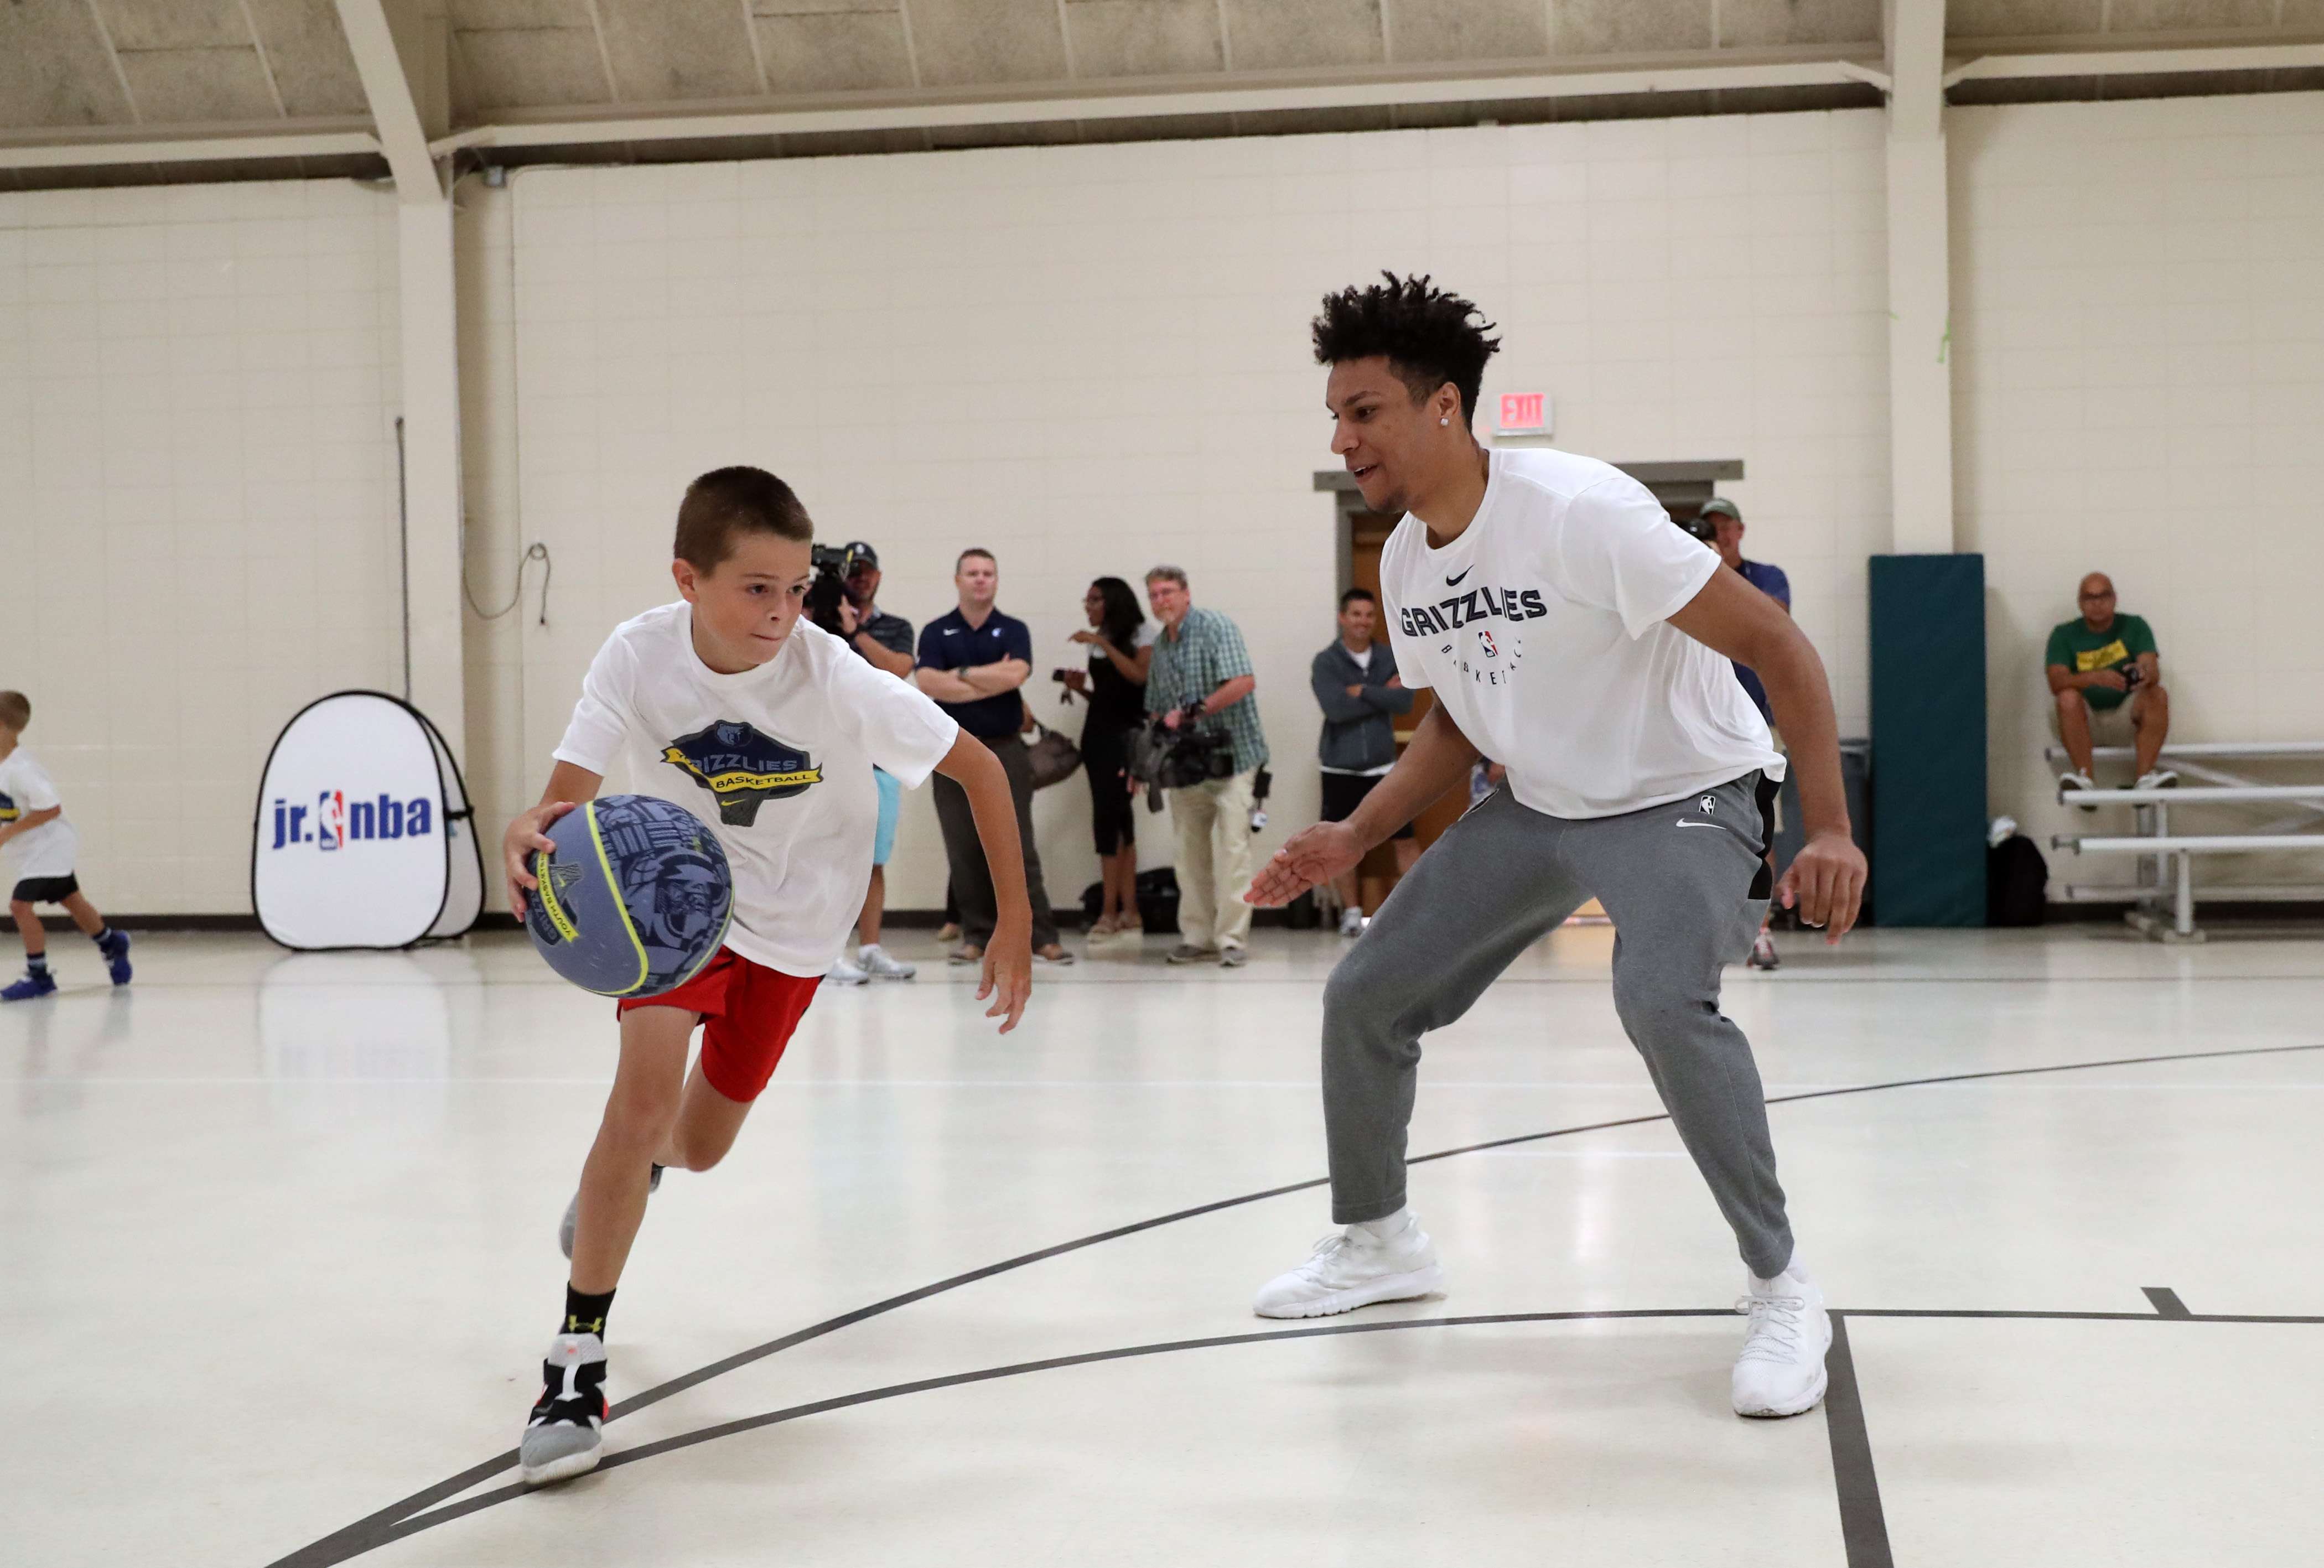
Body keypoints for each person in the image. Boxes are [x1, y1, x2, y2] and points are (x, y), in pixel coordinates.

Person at [1246, 274, 1868, 1422]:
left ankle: (1784, 1286)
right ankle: (1380, 1240)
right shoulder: (1407, 559)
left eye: (1365, 411)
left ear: (1444, 405)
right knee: (1367, 993)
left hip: (1686, 788)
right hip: (1543, 799)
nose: (1342, 439)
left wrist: (1828, 825)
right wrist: (1356, 831)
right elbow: (1459, 719)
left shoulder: (1584, 512)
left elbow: (1780, 647)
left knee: (1661, 998)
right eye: (1334, 414)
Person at [500, 468, 1033, 1486]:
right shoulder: (637, 653)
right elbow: (558, 807)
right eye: (756, 588)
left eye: (795, 589)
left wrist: (1012, 916)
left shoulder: (835, 675)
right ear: (687, 579)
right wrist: (524, 831)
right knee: (638, 1101)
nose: (782, 612)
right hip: (674, 908)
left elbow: (981, 767)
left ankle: (638, 1168)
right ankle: (574, 1363)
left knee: (697, 1143)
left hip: (795, 930)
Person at [915, 548, 1073, 967]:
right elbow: (928, 682)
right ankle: (978, 936)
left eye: (988, 573)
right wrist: (989, 679)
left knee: (1019, 845)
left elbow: (1016, 675)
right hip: (951, 752)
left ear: (997, 581)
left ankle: (1042, 936)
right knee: (963, 848)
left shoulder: (1014, 629)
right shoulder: (936, 631)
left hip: (1006, 750)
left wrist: (961, 675)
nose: (981, 579)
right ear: (958, 580)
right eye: (973, 573)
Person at [1143, 565, 1269, 969]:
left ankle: (1231, 939)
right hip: (1188, 764)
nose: (1161, 601)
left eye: (1167, 592)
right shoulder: (1161, 646)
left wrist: (1194, 712)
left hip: (1235, 758)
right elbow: (1156, 708)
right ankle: (1197, 936)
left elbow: (1243, 681)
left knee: (1233, 849)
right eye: (1154, 595)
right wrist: (1147, 755)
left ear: (1186, 594)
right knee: (1188, 852)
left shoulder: (1216, 627)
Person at [1702, 498, 1791, 972]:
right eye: (1711, 527)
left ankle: (1761, 930)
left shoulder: (1766, 577)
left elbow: (1773, 619)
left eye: (1725, 526)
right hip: (1702, 725)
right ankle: (1707, 929)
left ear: (1740, 530)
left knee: (1760, 830)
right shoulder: (1690, 575)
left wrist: (1719, 575)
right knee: (1699, 828)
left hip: (1757, 728)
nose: (1720, 533)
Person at [827, 542, 919, 985]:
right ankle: (826, 953)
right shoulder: (815, 624)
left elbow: (897, 669)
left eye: (867, 570)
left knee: (873, 859)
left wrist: (857, 632)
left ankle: (869, 948)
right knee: (825, 859)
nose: (860, 578)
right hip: (826, 758)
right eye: (852, 571)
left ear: (878, 576)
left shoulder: (896, 627)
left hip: (878, 757)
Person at [0, 691, 131, 1000]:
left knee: (20, 906)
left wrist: (8, 833)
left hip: (50, 846)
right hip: (31, 850)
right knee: (71, 900)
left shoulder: (22, 769)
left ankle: (39, 976)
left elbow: (50, 808)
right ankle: (111, 942)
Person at [1310, 588, 1416, 936]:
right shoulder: (1326, 662)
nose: (1363, 621)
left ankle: (1415, 912)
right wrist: (1383, 693)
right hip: (1339, 768)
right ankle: (1352, 914)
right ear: (1343, 618)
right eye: (1356, 614)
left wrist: (1363, 691)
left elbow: (1405, 703)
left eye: (1369, 615)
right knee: (1341, 841)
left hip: (1384, 767)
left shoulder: (1389, 657)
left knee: (1404, 839)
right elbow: (1336, 709)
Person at [1061, 577, 1153, 936]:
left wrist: (1102, 643)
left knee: (1113, 821)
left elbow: (1138, 677)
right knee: (1116, 821)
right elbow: (1107, 698)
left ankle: (1110, 913)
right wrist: (1080, 689)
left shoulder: (1141, 634)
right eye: (1087, 600)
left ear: (1113, 601)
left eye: (1095, 599)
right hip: (1098, 738)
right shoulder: (1099, 643)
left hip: (1126, 740)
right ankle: (1129, 911)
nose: (1088, 606)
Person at [2047, 573, 2173, 805]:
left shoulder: (2135, 626)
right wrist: (2094, 678)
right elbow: (2056, 682)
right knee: (2067, 697)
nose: (2097, 603)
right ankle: (2085, 779)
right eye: (2090, 598)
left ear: (2115, 599)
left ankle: (2145, 779)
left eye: (2103, 596)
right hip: (2083, 722)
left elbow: (2152, 670)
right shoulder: (2063, 634)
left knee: (2158, 694)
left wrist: (2143, 673)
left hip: (2126, 719)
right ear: (2080, 603)